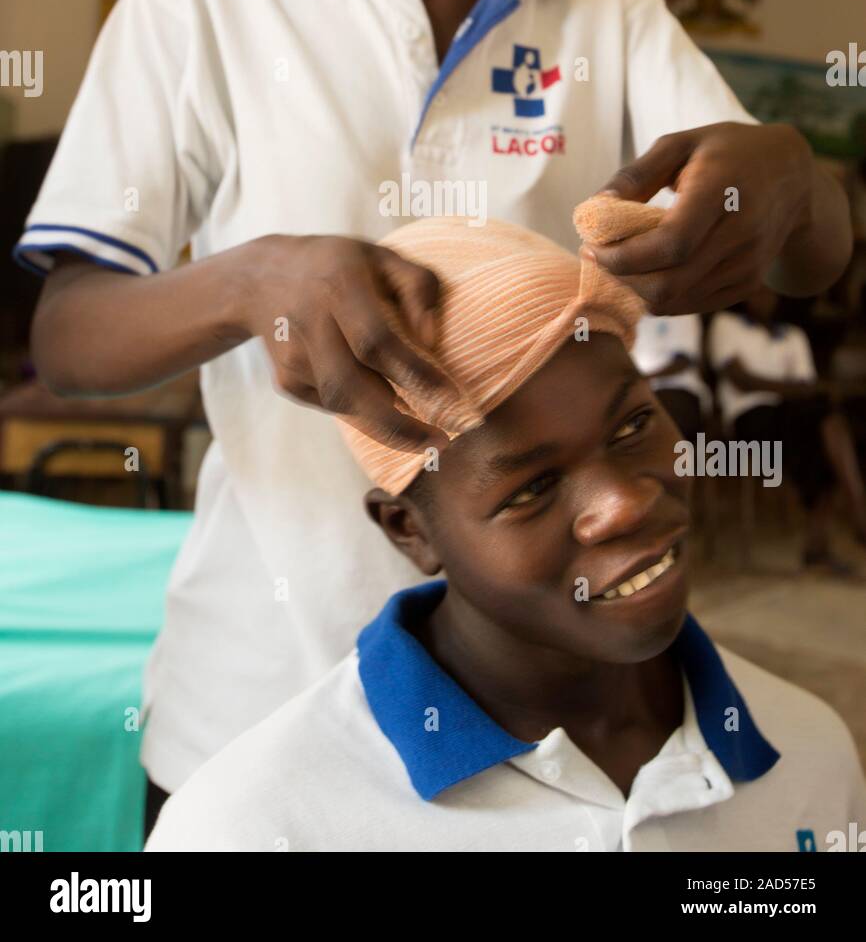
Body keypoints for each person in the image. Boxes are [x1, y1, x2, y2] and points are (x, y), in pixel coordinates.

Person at [14, 0, 852, 836]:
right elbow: (68, 334)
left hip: (549, 692)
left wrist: (793, 181)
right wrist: (253, 276)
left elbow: (801, 251)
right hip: (258, 685)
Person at [144, 197, 866, 852]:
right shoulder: (256, 826)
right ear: (409, 531)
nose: (623, 503)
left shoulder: (807, 753)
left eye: (635, 424)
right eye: (533, 487)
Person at [707, 286, 866, 569]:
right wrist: (790, 388)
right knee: (821, 429)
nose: (763, 298)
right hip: (749, 416)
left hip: (792, 416)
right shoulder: (726, 325)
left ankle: (830, 533)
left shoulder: (793, 335)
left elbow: (805, 387)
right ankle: (852, 513)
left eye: (769, 293)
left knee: (825, 433)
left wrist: (790, 390)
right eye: (757, 291)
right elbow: (742, 380)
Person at [630, 313, 710, 446]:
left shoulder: (682, 313)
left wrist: (642, 378)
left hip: (678, 388)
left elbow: (683, 361)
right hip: (642, 391)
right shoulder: (632, 318)